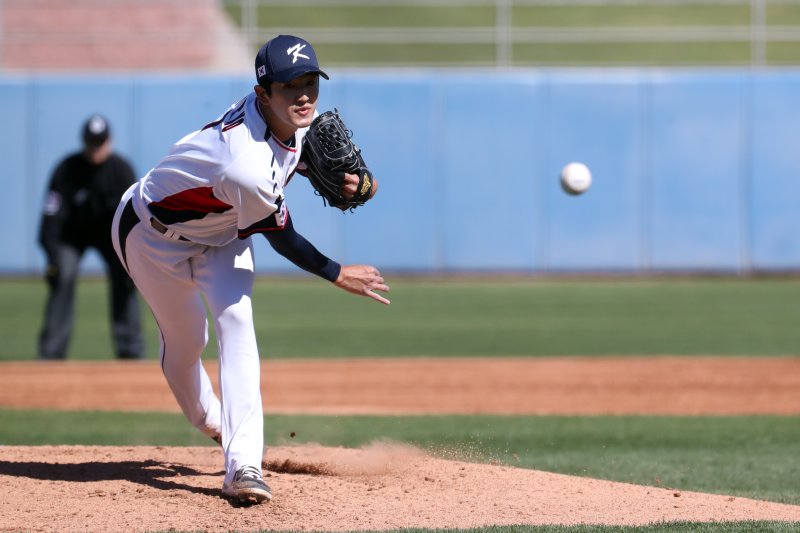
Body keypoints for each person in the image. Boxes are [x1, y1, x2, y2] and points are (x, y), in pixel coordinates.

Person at [110, 35, 389, 504]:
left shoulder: (296, 118)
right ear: (263, 94)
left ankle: (244, 465)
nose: (303, 96)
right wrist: (338, 272)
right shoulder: (244, 163)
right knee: (188, 341)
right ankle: (210, 422)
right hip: (153, 236)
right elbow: (281, 235)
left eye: (310, 83)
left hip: (222, 234)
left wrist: (362, 181)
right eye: (289, 86)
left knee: (237, 324)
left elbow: (312, 157)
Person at [38, 115, 144, 360]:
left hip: (111, 238)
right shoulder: (66, 169)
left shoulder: (120, 170)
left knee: (126, 276)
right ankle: (51, 354)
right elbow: (50, 216)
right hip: (71, 237)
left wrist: (133, 256)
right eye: (91, 142)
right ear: (83, 141)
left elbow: (133, 216)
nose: (96, 148)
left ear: (110, 141)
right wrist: (52, 256)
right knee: (63, 273)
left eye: (100, 142)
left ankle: (131, 352)